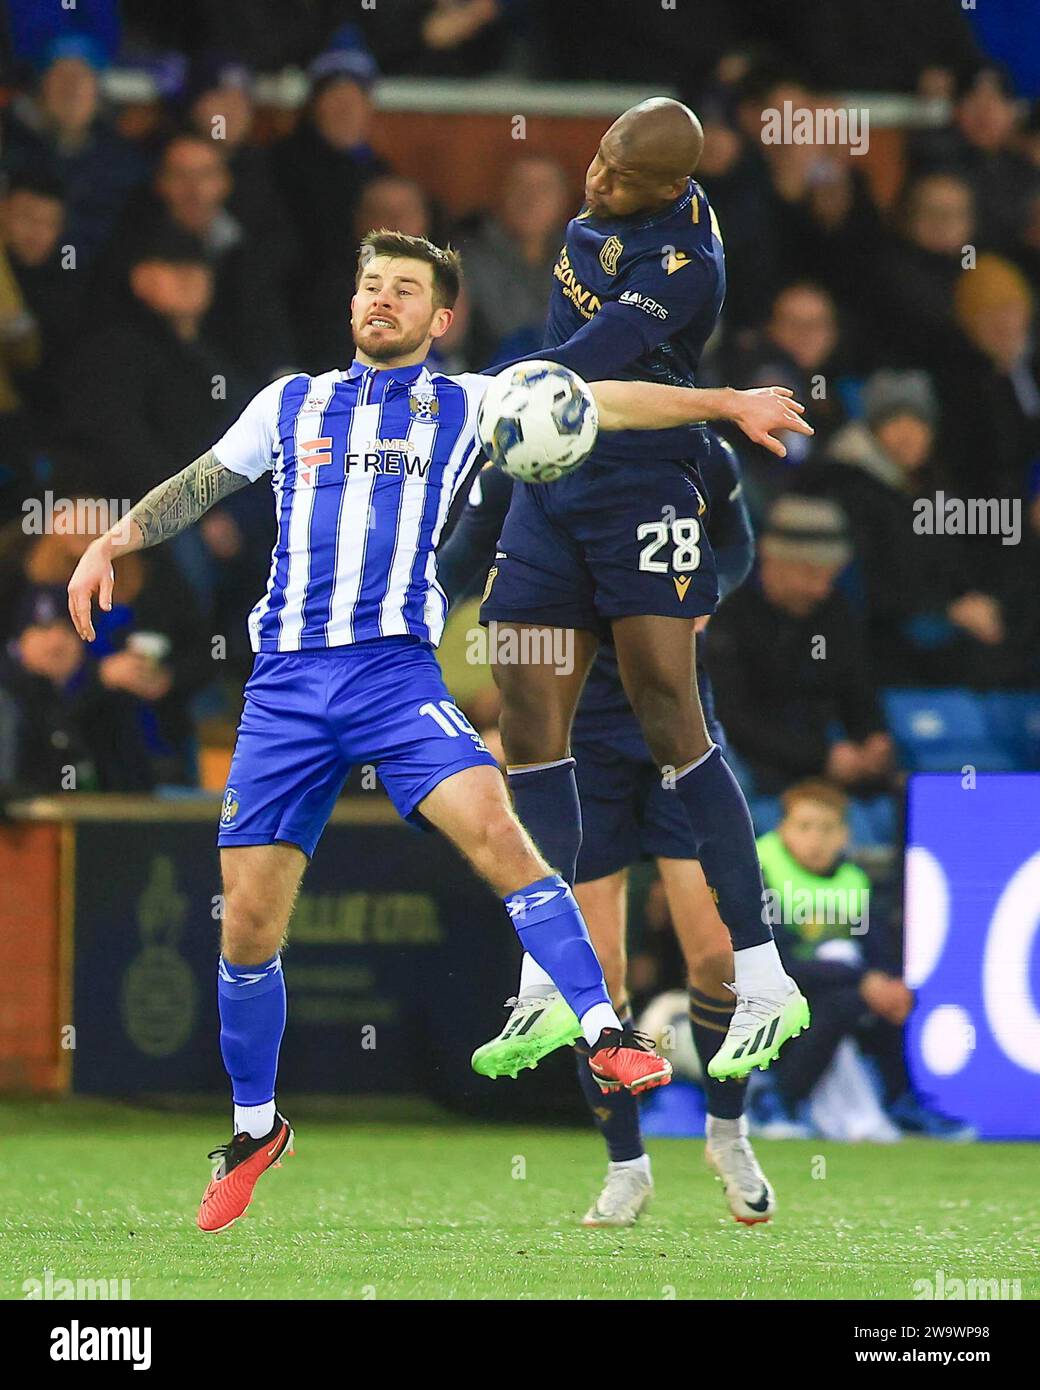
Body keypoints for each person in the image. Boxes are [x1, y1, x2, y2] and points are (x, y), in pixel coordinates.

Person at [67, 230, 801, 1233]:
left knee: (500, 831)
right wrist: (113, 535)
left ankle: (602, 1032)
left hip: (391, 675)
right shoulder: (291, 402)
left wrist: (722, 403)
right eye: (368, 283)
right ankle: (253, 1129)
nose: (378, 299)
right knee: (244, 926)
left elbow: (602, 402)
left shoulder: (467, 401)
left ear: (438, 318)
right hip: (283, 689)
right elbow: (202, 482)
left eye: (402, 289)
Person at [479, 98, 814, 1082]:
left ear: (668, 191)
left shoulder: (681, 266)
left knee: (673, 719)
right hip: (553, 485)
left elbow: (580, 380)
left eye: (621, 178)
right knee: (527, 710)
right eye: (598, 159)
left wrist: (479, 393)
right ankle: (547, 985)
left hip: (638, 481)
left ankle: (759, 973)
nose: (597, 181)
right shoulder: (614, 198)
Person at [442, 433, 780, 1227]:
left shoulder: (699, 451)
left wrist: (707, 595)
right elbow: (455, 561)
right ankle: (627, 1166)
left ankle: (728, 1134)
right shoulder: (527, 454)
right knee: (595, 971)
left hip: (675, 726)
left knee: (718, 955)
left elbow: (733, 545)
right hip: (577, 743)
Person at [751, 779, 973, 1140]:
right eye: (804, 827)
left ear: (845, 836)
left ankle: (901, 1101)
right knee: (846, 997)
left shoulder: (853, 881)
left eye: (827, 829)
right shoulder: (761, 872)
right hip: (766, 994)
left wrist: (886, 983)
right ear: (782, 831)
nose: (816, 839)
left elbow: (877, 952)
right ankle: (781, 1097)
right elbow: (777, 959)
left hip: (834, 991)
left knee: (885, 996)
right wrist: (863, 980)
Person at [705, 494, 895, 796]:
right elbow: (730, 715)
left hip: (826, 766)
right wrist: (820, 758)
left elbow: (856, 687)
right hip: (751, 770)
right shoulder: (726, 613)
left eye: (830, 576)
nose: (820, 589)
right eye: (809, 573)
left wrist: (871, 737)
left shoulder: (835, 611)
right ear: (771, 561)